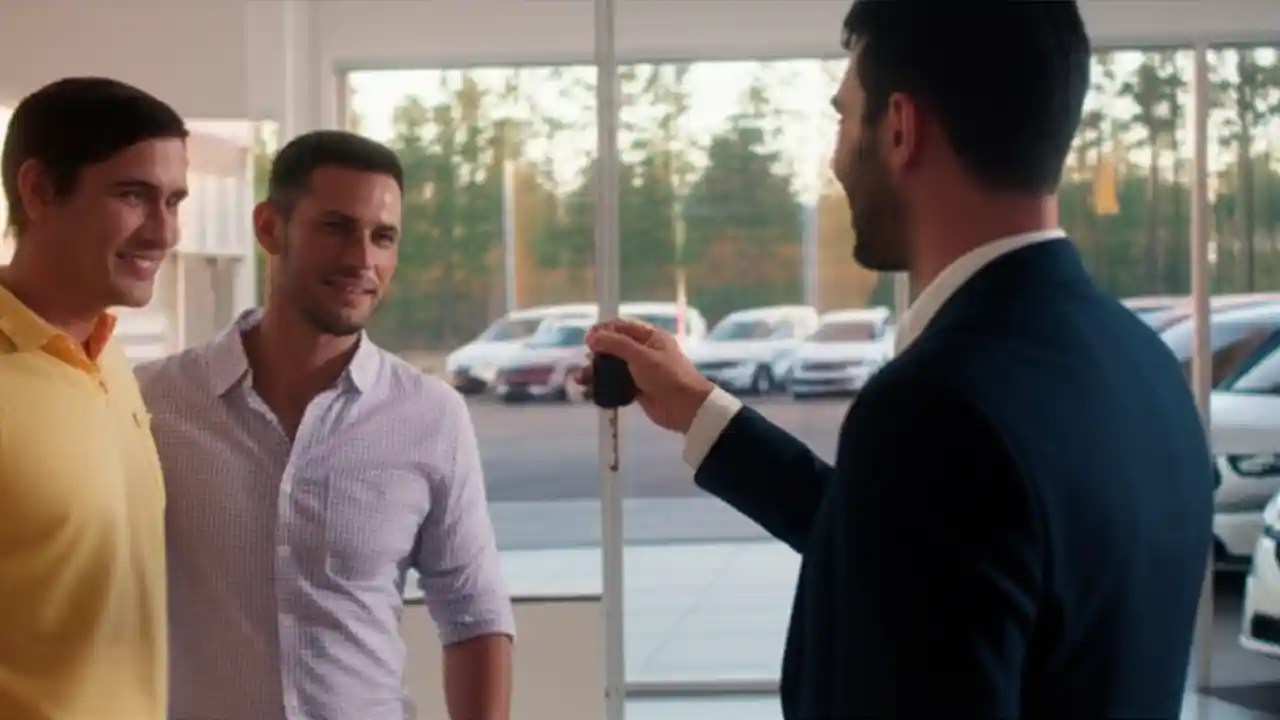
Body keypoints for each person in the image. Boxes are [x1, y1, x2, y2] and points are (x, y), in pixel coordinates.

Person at [583, 2, 1214, 718]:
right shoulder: (1144, 365)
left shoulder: (934, 410)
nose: (835, 157)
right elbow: (935, 559)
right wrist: (703, 411)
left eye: (844, 118)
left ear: (901, 128)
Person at [135, 130, 515, 720]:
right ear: (269, 228)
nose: (362, 261)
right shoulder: (155, 404)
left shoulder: (431, 415)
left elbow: (474, 613)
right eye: (336, 227)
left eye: (383, 237)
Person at [0, 77, 188, 719]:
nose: (164, 232)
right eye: (133, 195)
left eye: (175, 200)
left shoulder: (106, 351)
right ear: (40, 190)